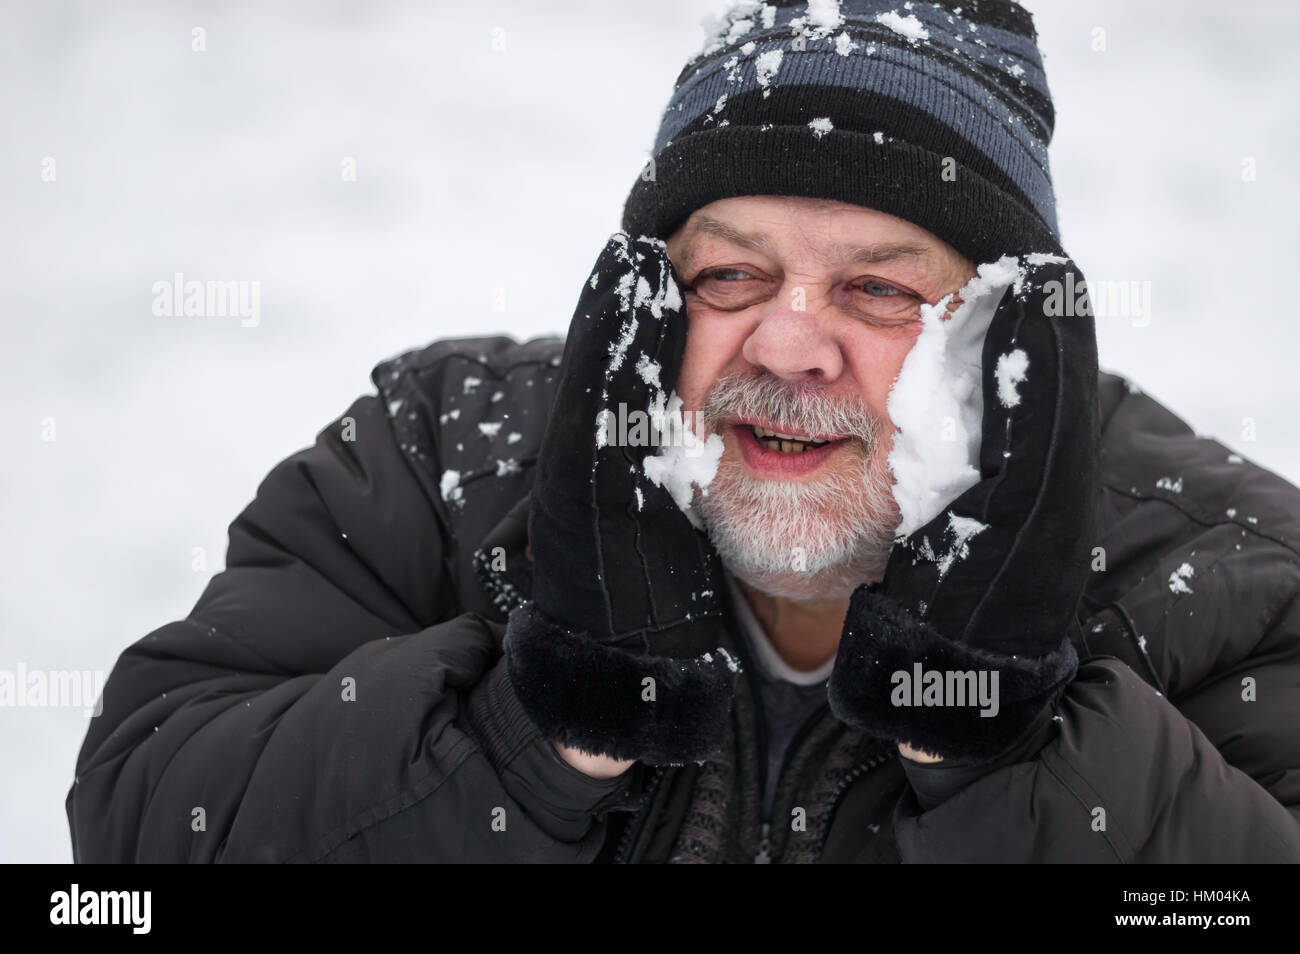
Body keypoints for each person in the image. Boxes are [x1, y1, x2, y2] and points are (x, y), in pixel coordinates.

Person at [68, 0, 1300, 863]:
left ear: (999, 326)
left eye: (878, 289)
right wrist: (542, 724)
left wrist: (998, 749)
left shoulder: (1229, 574)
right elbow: (134, 839)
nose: (785, 343)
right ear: (646, 294)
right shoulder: (435, 456)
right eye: (729, 277)